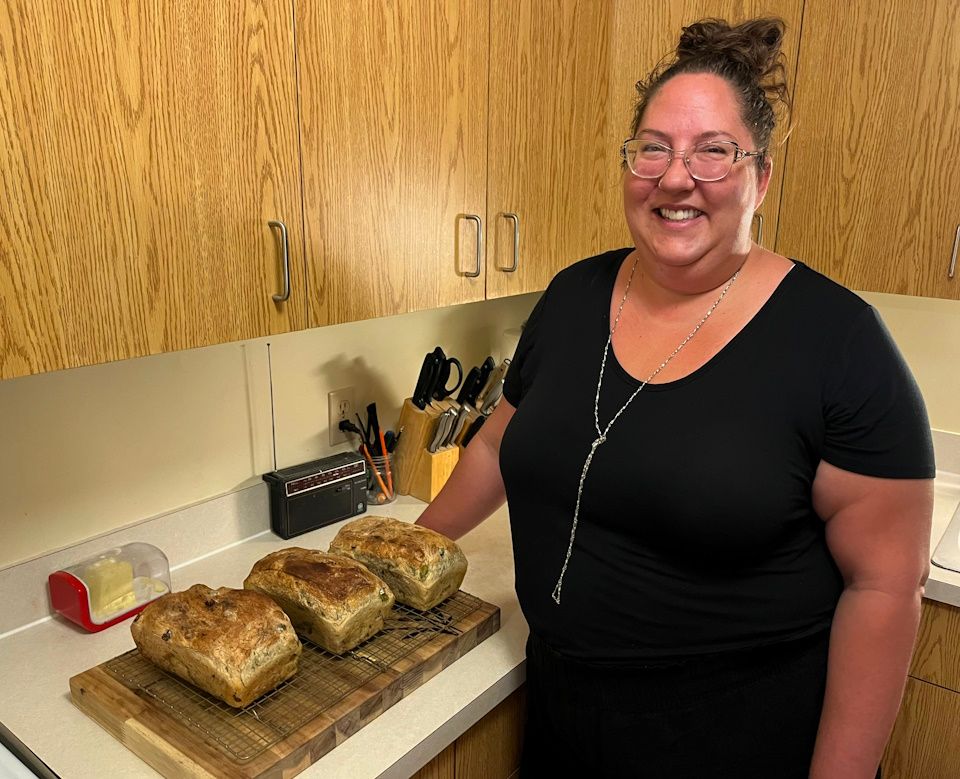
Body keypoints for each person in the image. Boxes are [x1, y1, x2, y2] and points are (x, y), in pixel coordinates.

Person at [416, 17, 934, 779]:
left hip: (740, 738)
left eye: (713, 152)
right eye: (652, 147)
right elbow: (497, 443)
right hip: (566, 712)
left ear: (761, 176)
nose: (676, 176)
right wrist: (395, 555)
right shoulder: (572, 295)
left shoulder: (840, 344)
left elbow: (885, 586)